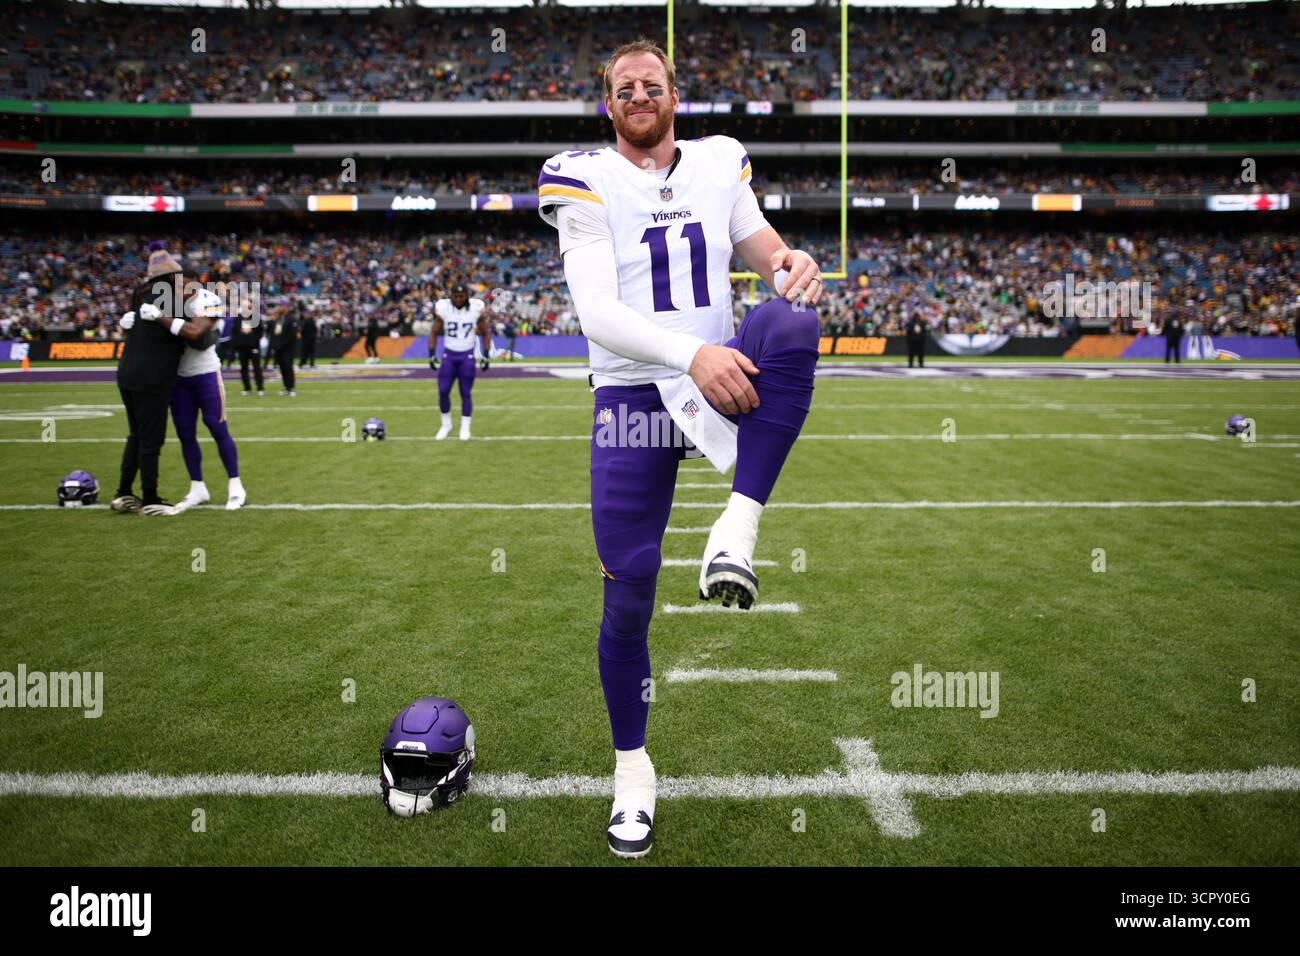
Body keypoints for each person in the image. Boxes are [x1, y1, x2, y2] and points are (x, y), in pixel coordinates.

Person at [538, 39, 820, 859]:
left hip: (719, 371)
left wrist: (787, 264)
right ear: (607, 105)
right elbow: (596, 312)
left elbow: (760, 244)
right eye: (622, 87)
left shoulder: (719, 160)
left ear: (673, 95)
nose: (637, 95)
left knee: (795, 323)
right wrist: (687, 352)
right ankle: (634, 770)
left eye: (650, 84)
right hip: (635, 392)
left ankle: (737, 528)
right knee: (629, 591)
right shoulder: (582, 173)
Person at [111, 241, 216, 517]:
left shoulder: (140, 293)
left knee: (136, 435)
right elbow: (197, 334)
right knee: (151, 439)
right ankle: (149, 496)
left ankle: (123, 492)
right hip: (153, 376)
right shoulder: (170, 295)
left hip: (127, 371)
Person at [170, 288, 247, 512]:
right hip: (179, 376)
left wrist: (163, 319)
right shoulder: (167, 301)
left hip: (206, 373)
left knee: (217, 427)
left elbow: (200, 339)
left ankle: (235, 484)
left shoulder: (209, 299)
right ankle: (197, 487)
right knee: (185, 433)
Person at [428, 283, 494, 440]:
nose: (458, 299)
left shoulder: (475, 309)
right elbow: (434, 332)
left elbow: (485, 333)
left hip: (466, 357)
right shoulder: (444, 309)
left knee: (465, 393)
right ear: (451, 296)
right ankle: (446, 425)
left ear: (467, 296)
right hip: (449, 356)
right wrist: (431, 354)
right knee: (443, 391)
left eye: (461, 296)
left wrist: (486, 355)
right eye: (455, 296)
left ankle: (465, 428)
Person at [232, 309, 265, 396]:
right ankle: (247, 388)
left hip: (254, 348)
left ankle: (260, 388)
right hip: (242, 348)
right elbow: (234, 332)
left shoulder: (255, 318)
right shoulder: (238, 318)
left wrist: (254, 342)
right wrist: (238, 343)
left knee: (257, 368)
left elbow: (260, 332)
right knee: (243, 368)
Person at [270, 302, 298, 396]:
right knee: (282, 368)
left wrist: (282, 344)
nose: (279, 308)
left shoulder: (291, 319)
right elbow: (274, 333)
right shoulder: (279, 319)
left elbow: (292, 335)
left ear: (286, 308)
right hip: (279, 348)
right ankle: (286, 387)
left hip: (288, 348)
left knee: (288, 367)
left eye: (281, 306)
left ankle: (291, 387)